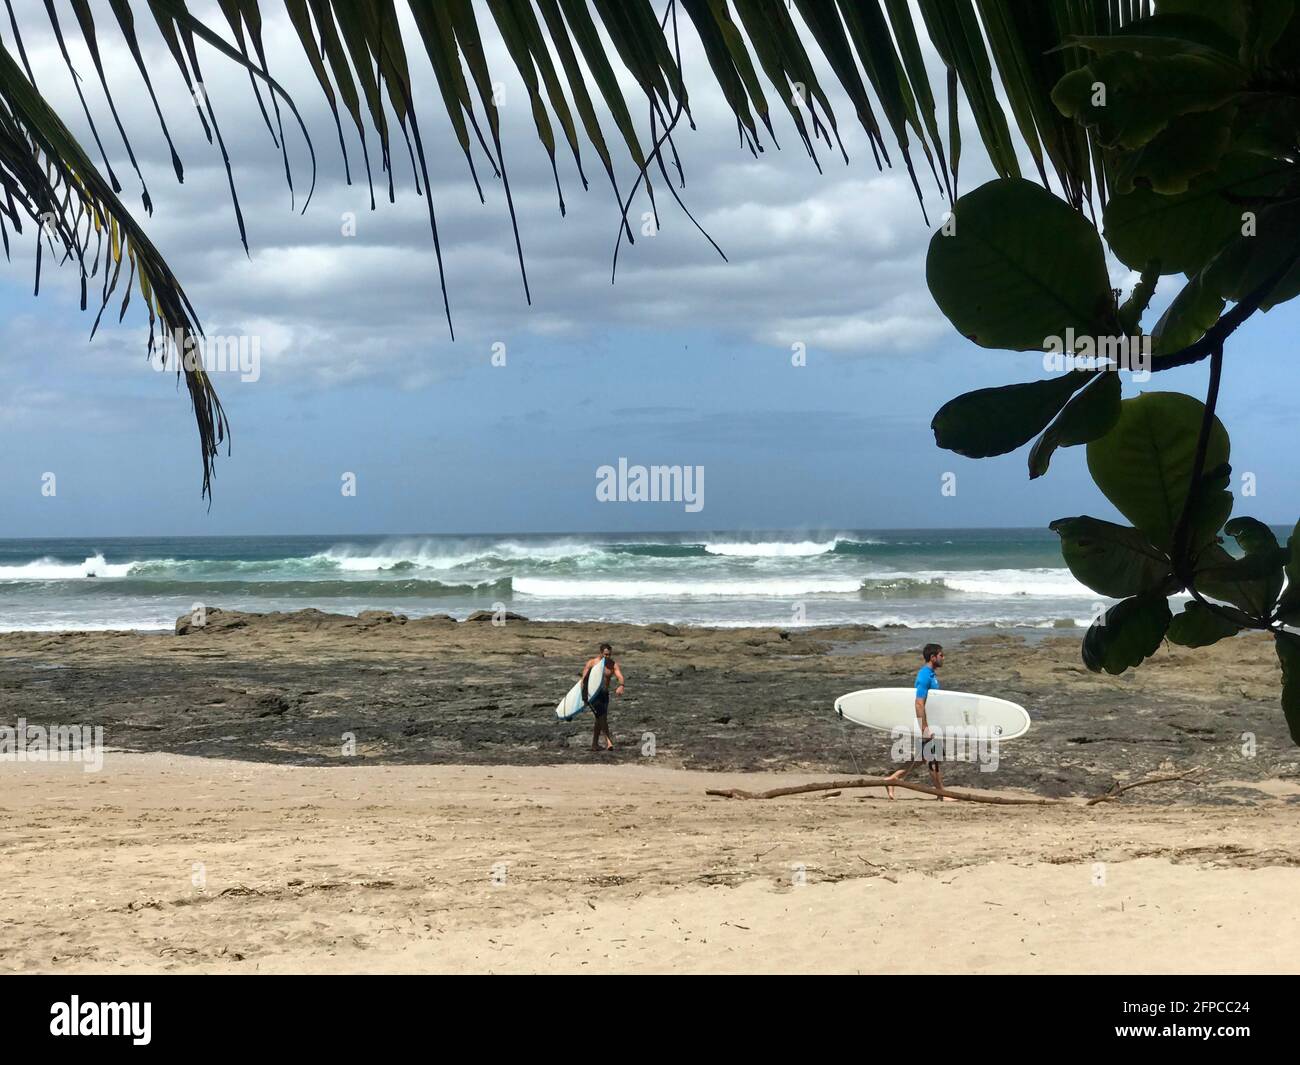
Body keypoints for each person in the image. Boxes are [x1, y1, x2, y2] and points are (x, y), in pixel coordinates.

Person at [884, 643, 952, 800]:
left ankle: (892, 779)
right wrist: (924, 728)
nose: (943, 658)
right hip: (925, 724)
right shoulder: (924, 675)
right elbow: (919, 703)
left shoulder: (931, 675)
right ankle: (941, 793)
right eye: (941, 655)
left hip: (931, 723)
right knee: (933, 756)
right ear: (933, 657)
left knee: (923, 757)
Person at [581, 643, 624, 752]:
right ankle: (608, 741)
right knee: (602, 717)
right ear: (600, 653)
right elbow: (583, 681)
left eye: (609, 654)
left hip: (604, 694)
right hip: (592, 695)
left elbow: (619, 675)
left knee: (599, 719)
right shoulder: (592, 663)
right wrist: (584, 697)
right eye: (605, 654)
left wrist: (621, 685)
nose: (607, 657)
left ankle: (594, 744)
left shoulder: (612, 664)